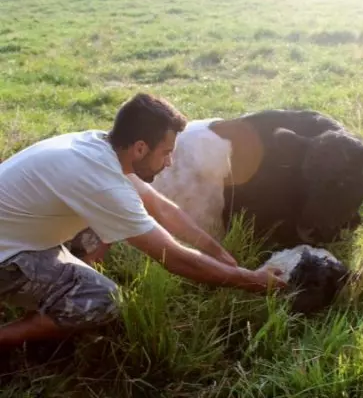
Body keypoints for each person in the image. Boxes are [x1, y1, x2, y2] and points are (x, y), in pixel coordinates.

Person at [0, 92, 287, 349]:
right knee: (103, 299)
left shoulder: (98, 146)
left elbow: (161, 209)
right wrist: (252, 281)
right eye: (166, 152)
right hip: (7, 256)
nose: (169, 163)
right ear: (139, 148)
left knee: (101, 227)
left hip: (18, 235)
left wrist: (221, 255)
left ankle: (52, 293)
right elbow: (174, 258)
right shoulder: (102, 183)